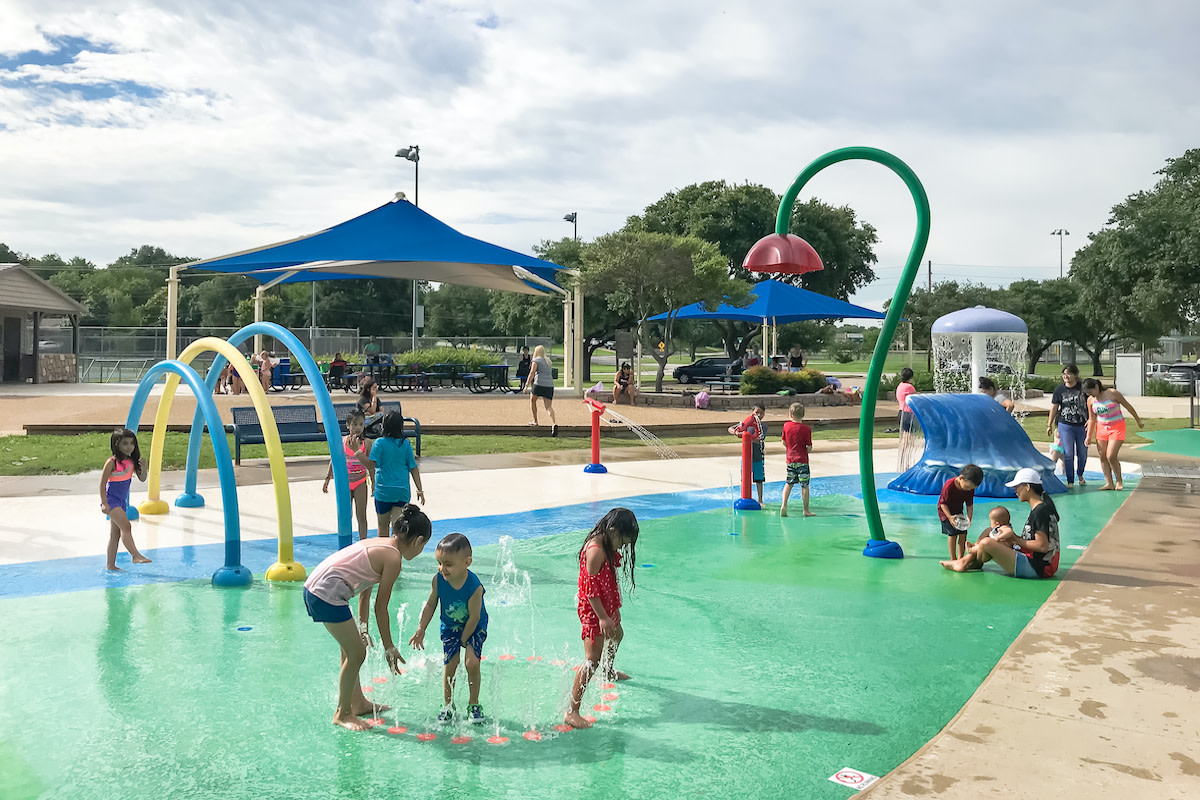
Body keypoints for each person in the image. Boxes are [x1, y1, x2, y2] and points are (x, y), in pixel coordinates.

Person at [303, 504, 432, 731]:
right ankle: (342, 713)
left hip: (318, 588)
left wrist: (362, 629)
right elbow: (381, 607)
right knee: (357, 653)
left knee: (350, 649)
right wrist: (389, 647)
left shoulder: (382, 544)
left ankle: (358, 703)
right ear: (418, 541)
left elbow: (365, 591)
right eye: (424, 546)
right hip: (326, 593)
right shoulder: (393, 558)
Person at [564, 508, 639, 729]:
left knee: (617, 634)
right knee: (591, 659)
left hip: (605, 605)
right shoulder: (596, 551)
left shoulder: (605, 543)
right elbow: (590, 592)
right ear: (613, 531)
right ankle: (572, 711)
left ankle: (607, 670)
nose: (622, 547)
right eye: (623, 542)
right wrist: (603, 618)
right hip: (594, 610)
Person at [409, 533, 489, 724]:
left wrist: (464, 639)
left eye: (448, 564)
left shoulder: (474, 586)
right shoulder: (438, 580)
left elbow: (475, 616)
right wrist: (421, 628)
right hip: (450, 626)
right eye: (439, 563)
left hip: (474, 626)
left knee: (472, 663)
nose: (442, 569)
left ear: (467, 562)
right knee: (450, 664)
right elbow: (430, 605)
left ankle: (474, 704)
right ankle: (448, 705)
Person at [942, 468, 1060, 579]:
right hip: (1033, 561)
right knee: (992, 534)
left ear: (1027, 487)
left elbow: (1042, 546)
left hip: (1038, 567)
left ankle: (967, 560)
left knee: (987, 543)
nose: (1015, 491)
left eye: (1017, 487)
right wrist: (1011, 538)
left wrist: (1014, 538)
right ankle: (969, 561)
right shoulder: (1040, 509)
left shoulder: (1040, 512)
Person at [366, 411, 425, 541]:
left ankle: (383, 552)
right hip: (401, 491)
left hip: (383, 491)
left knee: (382, 527)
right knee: (398, 530)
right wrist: (420, 490)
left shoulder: (379, 443)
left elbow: (371, 465)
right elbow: (414, 469)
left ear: (384, 426)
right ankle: (397, 552)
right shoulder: (405, 444)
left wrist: (357, 453)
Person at [100, 428, 151, 571]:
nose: (129, 447)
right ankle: (135, 555)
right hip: (111, 500)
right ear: (116, 444)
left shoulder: (131, 462)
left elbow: (142, 478)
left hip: (121, 501)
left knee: (115, 534)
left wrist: (144, 467)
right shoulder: (112, 463)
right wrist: (104, 503)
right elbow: (102, 484)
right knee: (126, 527)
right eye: (125, 444)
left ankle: (110, 565)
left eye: (132, 443)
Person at [1083, 378, 1144, 491]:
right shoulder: (1090, 400)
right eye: (1087, 393)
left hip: (1117, 427)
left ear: (1096, 387)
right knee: (1102, 456)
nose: (1090, 394)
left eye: (1091, 391)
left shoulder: (1112, 393)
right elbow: (1092, 419)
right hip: (1102, 428)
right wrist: (1088, 436)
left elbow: (1128, 406)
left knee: (1111, 455)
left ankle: (1119, 481)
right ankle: (1109, 483)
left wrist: (1138, 420)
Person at [323, 410, 374, 541]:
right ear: (348, 425)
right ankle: (346, 541)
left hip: (360, 482)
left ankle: (363, 542)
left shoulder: (367, 443)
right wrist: (327, 478)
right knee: (346, 515)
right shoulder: (342, 441)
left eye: (361, 424)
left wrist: (374, 483)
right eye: (355, 424)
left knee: (361, 515)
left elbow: (371, 465)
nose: (358, 427)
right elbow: (334, 460)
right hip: (345, 483)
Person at [1047, 364, 1089, 487]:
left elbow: (1092, 403)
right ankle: (1070, 480)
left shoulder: (1083, 388)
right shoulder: (1059, 390)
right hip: (1065, 425)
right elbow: (1054, 407)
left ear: (1075, 375)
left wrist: (1092, 420)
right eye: (1064, 374)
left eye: (1069, 373)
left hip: (1082, 425)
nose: (1066, 376)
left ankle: (1080, 474)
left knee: (1082, 453)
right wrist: (1049, 424)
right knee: (1068, 453)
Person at [937, 464, 982, 561]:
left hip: (958, 511)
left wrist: (969, 518)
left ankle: (961, 558)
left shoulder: (969, 488)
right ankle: (953, 558)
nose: (969, 489)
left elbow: (969, 505)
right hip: (946, 512)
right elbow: (943, 504)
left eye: (972, 488)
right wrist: (950, 517)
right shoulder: (949, 485)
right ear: (961, 478)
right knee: (953, 534)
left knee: (963, 533)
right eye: (968, 486)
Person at [780, 402, 814, 518]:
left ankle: (784, 505)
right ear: (803, 415)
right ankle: (806, 510)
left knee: (789, 483)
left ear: (790, 415)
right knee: (804, 485)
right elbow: (809, 447)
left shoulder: (786, 426)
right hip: (802, 460)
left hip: (790, 460)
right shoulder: (806, 429)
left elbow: (784, 442)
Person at [729, 404, 767, 505]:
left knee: (759, 479)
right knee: (744, 478)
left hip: (758, 456)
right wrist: (737, 433)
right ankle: (744, 496)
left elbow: (759, 439)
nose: (759, 415)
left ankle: (760, 500)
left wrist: (747, 437)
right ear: (752, 412)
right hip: (746, 457)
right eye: (757, 412)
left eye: (761, 413)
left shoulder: (763, 426)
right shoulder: (746, 423)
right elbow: (730, 428)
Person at [524, 344, 558, 436]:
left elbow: (532, 373)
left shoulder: (536, 360)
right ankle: (553, 423)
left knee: (532, 400)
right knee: (548, 407)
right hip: (549, 385)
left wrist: (526, 385)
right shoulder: (548, 361)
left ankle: (535, 421)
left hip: (539, 384)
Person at [895, 368, 916, 434]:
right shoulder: (909, 387)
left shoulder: (900, 386)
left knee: (904, 433)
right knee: (909, 434)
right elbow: (915, 398)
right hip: (908, 413)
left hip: (901, 412)